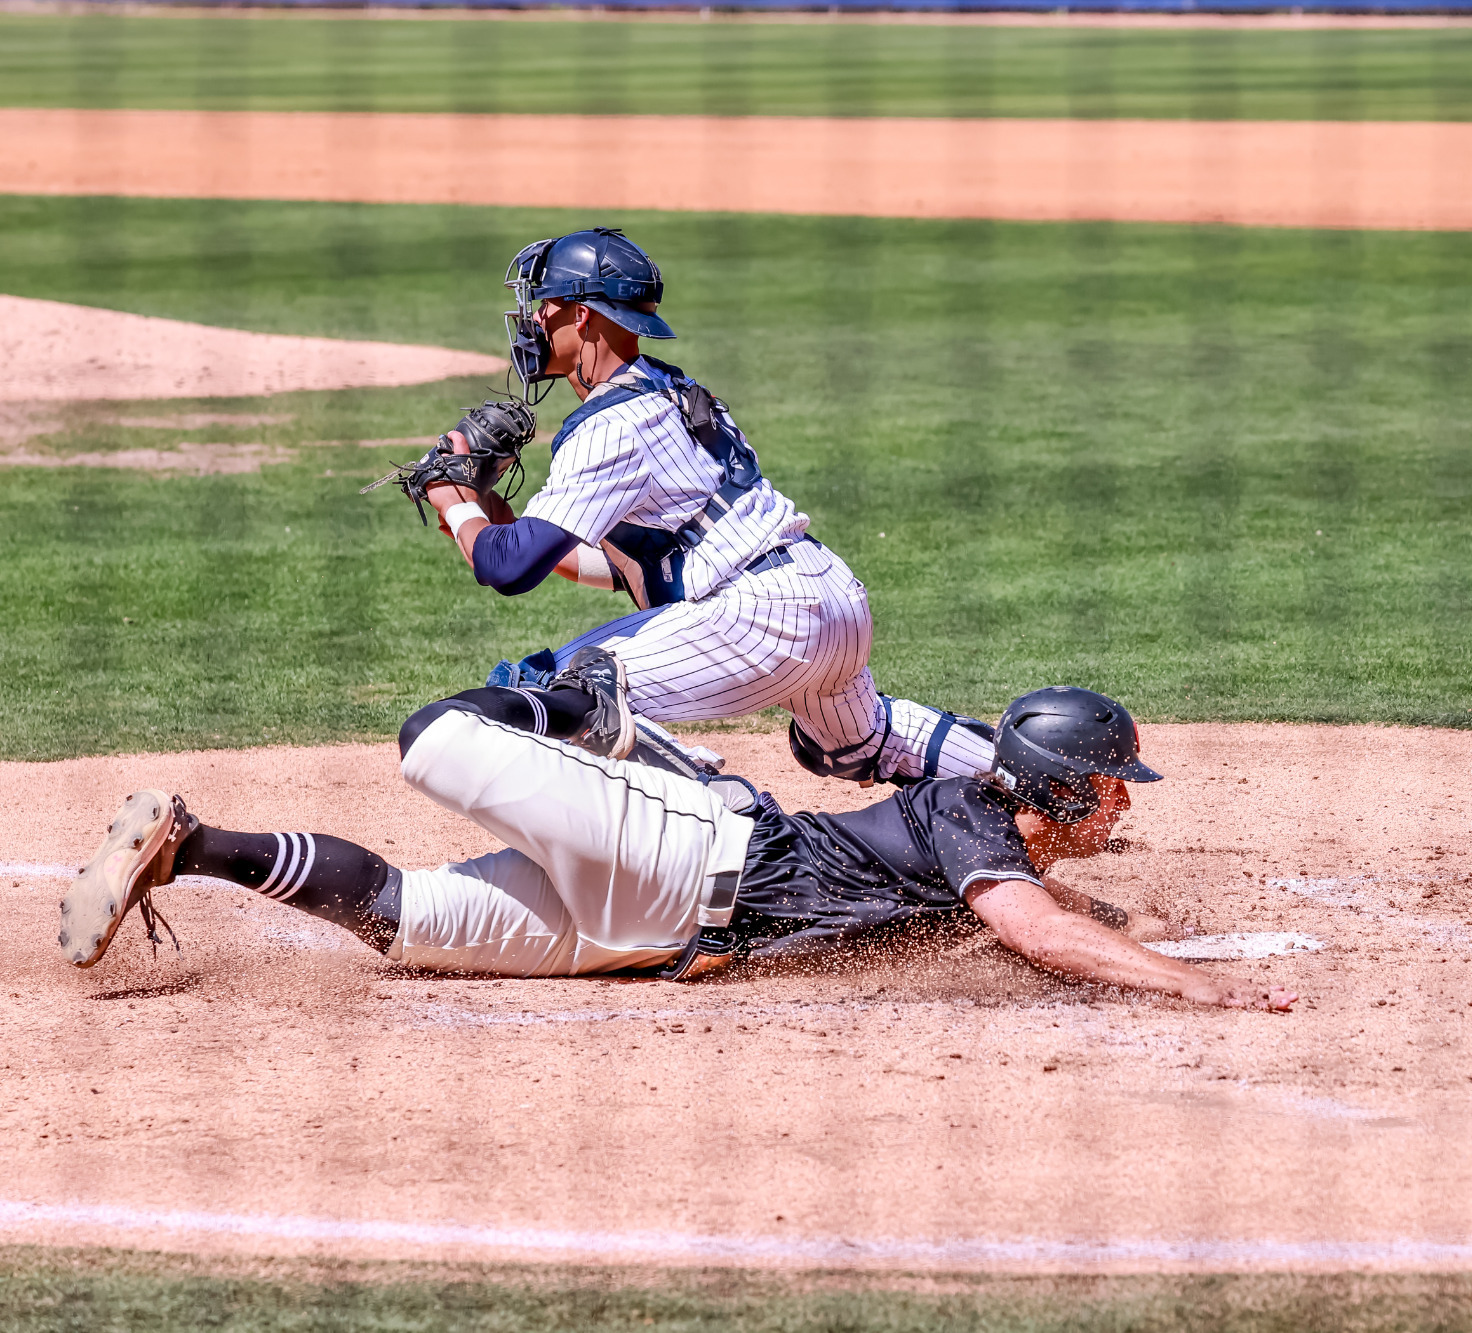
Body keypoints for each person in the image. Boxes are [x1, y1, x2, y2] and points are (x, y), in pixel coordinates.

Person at [57, 671, 1296, 1012]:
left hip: (652, 939)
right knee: (435, 736)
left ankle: (191, 844)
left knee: (401, 921)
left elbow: (1039, 913)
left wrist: (1125, 923)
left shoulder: (993, 845)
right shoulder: (969, 813)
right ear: (1058, 784)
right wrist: (1185, 984)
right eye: (1112, 785)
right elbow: (1026, 927)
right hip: (683, 851)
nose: (1123, 805)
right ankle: (587, 708)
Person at [423, 225, 992, 788]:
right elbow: (635, 563)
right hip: (828, 598)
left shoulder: (609, 425)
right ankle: (1036, 778)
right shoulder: (672, 390)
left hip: (764, 619)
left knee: (561, 695)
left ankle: (727, 821)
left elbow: (507, 568)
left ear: (583, 316)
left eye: (545, 305)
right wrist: (485, 513)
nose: (534, 320)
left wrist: (452, 499)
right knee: (857, 744)